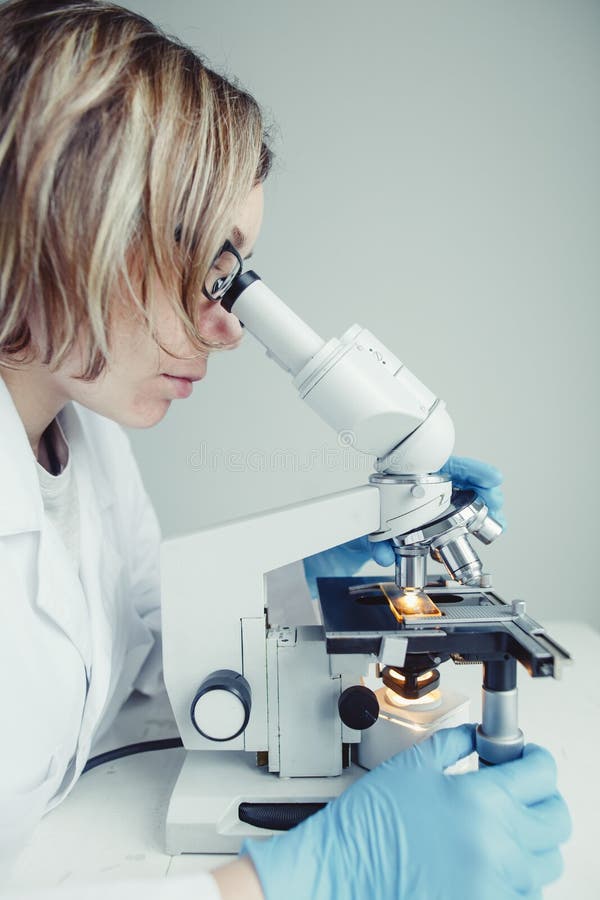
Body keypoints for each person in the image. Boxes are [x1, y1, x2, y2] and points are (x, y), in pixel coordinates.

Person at [0, 2, 570, 899]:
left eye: (235, 280)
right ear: (75, 219)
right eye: (207, 263)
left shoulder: (86, 436)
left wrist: (307, 578)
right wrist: (301, 881)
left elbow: (147, 643)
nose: (228, 328)